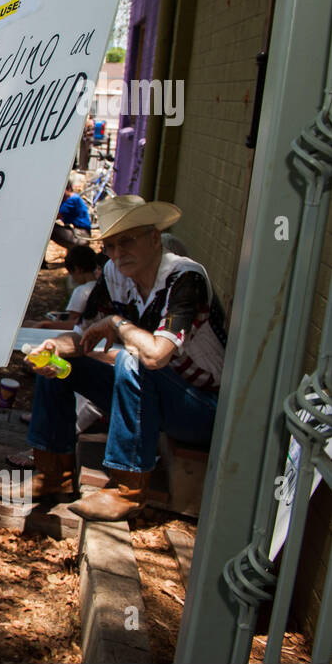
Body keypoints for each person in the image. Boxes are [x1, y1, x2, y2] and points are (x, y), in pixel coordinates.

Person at [23, 195, 226, 520]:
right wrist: (53, 349)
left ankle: (127, 489)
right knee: (59, 362)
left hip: (203, 409)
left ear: (154, 238)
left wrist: (118, 324)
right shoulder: (115, 275)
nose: (117, 255)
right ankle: (53, 472)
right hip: (156, 398)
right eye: (111, 246)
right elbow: (83, 338)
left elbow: (158, 355)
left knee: (134, 360)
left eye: (127, 242)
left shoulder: (186, 278)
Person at [24, 244, 103, 330]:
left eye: (71, 273)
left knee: (27, 324)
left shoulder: (81, 291)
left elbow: (73, 321)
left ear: (77, 269)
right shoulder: (102, 286)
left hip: (81, 331)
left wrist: (53, 324)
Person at [50, 178, 92, 254]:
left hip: (82, 235)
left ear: (68, 189)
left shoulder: (72, 200)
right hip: (76, 232)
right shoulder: (70, 199)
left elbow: (55, 217)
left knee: (50, 229)